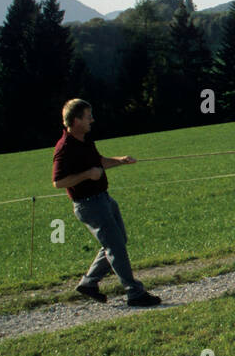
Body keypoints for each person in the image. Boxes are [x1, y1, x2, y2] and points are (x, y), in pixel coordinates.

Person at [51, 98, 161, 307]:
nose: (92, 120)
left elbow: (99, 162)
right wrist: (87, 175)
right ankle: (134, 293)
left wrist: (120, 161)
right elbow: (58, 182)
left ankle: (89, 283)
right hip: (89, 205)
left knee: (118, 241)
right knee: (115, 247)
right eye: (88, 116)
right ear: (75, 121)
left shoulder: (84, 140)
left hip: (104, 199)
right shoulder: (64, 147)